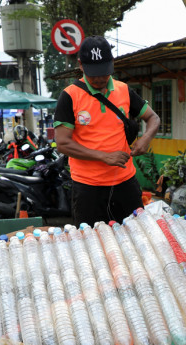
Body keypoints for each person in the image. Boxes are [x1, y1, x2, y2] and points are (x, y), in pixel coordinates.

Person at [54, 35, 160, 226]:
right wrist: (104, 156)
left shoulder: (124, 90)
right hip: (87, 189)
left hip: (125, 184)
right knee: (91, 245)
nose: (99, 79)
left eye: (104, 72)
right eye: (93, 73)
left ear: (112, 63)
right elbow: (62, 143)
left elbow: (154, 118)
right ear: (80, 65)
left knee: (135, 238)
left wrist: (146, 138)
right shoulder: (69, 96)